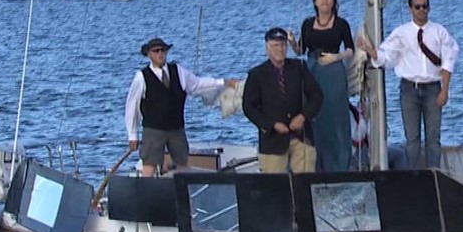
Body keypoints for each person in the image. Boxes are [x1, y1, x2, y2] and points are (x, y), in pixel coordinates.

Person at [359, 0, 458, 169]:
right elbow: (386, 55)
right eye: (417, 7)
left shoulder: (439, 32)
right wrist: (371, 51)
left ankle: (433, 173)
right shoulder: (402, 33)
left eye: (424, 6)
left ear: (429, 8)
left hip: (432, 88)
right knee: (412, 139)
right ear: (410, 9)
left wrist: (445, 90)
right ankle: (412, 176)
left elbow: (449, 60)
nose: (421, 10)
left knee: (433, 139)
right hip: (409, 89)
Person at [125, 37, 239, 177]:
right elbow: (132, 105)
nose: (160, 54)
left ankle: (185, 196)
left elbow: (197, 85)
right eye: (156, 51)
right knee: (149, 166)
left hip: (176, 128)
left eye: (163, 50)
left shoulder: (178, 71)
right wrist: (132, 135)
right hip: (153, 130)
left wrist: (223, 82)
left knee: (183, 164)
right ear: (149, 54)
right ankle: (145, 197)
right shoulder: (142, 77)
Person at [287, 0, 354, 172]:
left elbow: (350, 49)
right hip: (312, 69)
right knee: (312, 114)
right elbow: (301, 50)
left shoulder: (341, 24)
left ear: (333, 1)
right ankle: (313, 163)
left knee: (335, 117)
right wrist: (292, 43)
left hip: (333, 71)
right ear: (315, 2)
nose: (325, 0)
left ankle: (338, 164)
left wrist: (337, 56)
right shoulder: (307, 23)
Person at [244, 27, 324, 174]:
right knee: (275, 187)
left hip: (301, 136)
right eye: (275, 46)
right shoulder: (257, 74)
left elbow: (317, 95)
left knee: (306, 183)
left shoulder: (299, 67)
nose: (280, 49)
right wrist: (271, 125)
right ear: (267, 48)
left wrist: (303, 116)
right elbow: (249, 107)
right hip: (273, 141)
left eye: (283, 45)